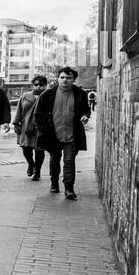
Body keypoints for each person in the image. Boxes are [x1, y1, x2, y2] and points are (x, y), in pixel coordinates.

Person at [34, 67, 91, 201]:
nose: (65, 80)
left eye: (68, 78)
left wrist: (85, 116)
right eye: (62, 77)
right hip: (53, 134)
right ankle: (54, 183)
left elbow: (86, 110)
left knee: (69, 161)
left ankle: (69, 188)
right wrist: (42, 131)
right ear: (58, 79)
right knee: (55, 159)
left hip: (71, 134)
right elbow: (38, 115)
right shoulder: (47, 94)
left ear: (74, 80)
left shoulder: (80, 94)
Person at [12, 74, 48, 181]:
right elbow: (19, 110)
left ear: (45, 85)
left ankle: (37, 171)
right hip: (26, 126)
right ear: (33, 85)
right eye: (36, 84)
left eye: (41, 85)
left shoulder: (48, 96)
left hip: (41, 127)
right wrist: (16, 124)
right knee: (25, 148)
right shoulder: (25, 96)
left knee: (39, 150)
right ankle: (31, 164)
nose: (38, 87)